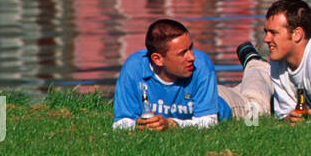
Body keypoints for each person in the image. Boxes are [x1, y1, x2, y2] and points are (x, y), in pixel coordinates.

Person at [112, 19, 273, 130]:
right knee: (240, 89)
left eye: (191, 48)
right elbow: (120, 123)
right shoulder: (133, 68)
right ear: (157, 59)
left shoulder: (201, 63)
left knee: (256, 103)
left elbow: (208, 123)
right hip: (202, 94)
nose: (192, 57)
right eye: (183, 53)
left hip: (225, 104)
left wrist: (171, 124)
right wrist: (137, 126)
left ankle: (254, 62)